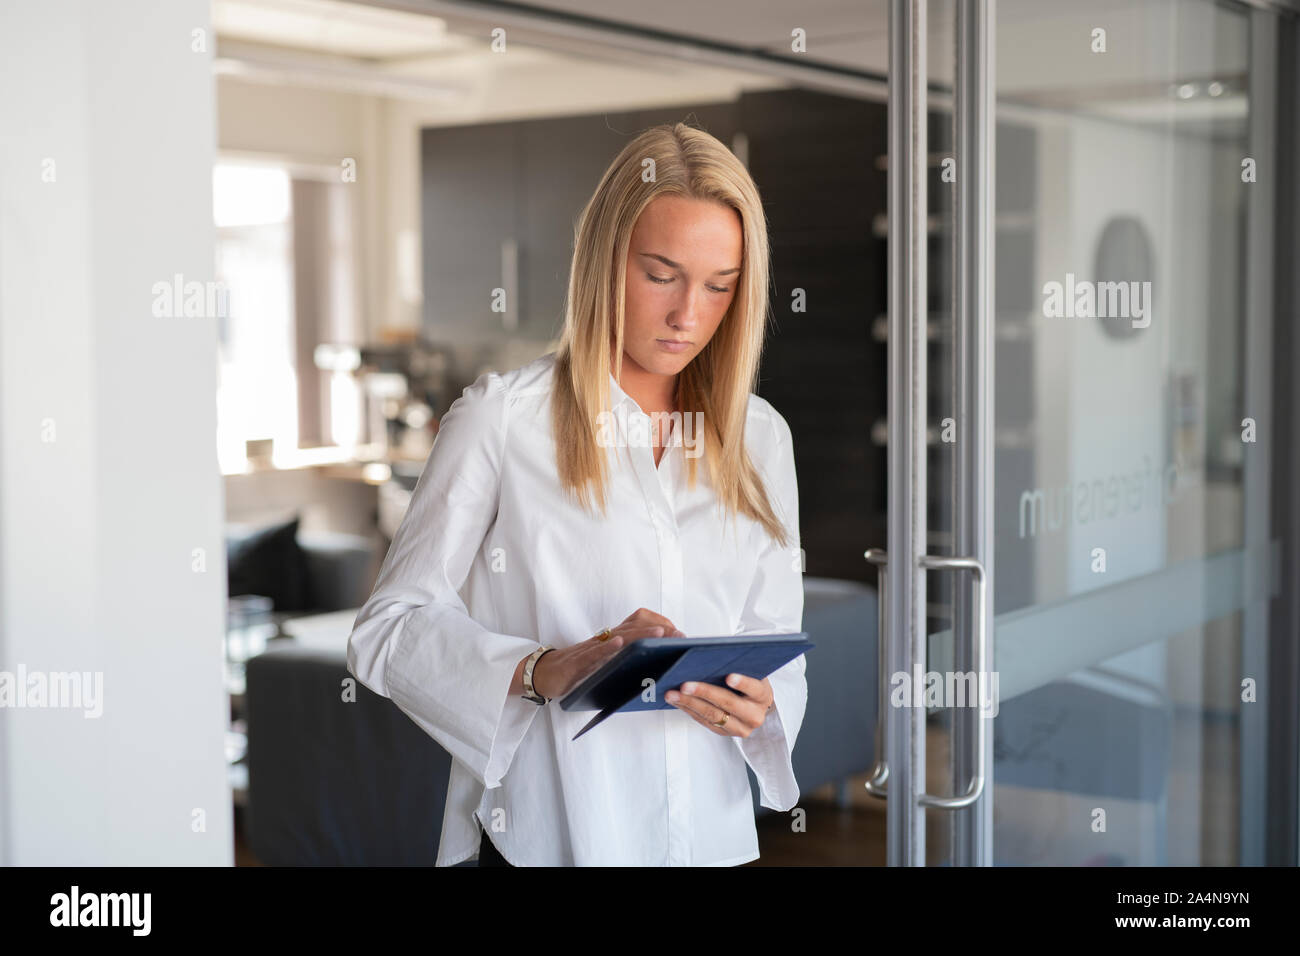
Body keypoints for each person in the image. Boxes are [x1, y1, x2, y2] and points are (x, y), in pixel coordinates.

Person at [346, 121, 806, 867]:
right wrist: (535, 670)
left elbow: (776, 640)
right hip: (551, 838)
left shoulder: (761, 438)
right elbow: (387, 629)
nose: (690, 315)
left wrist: (764, 705)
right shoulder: (501, 421)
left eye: (720, 286)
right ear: (602, 260)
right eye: (661, 274)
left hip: (711, 840)